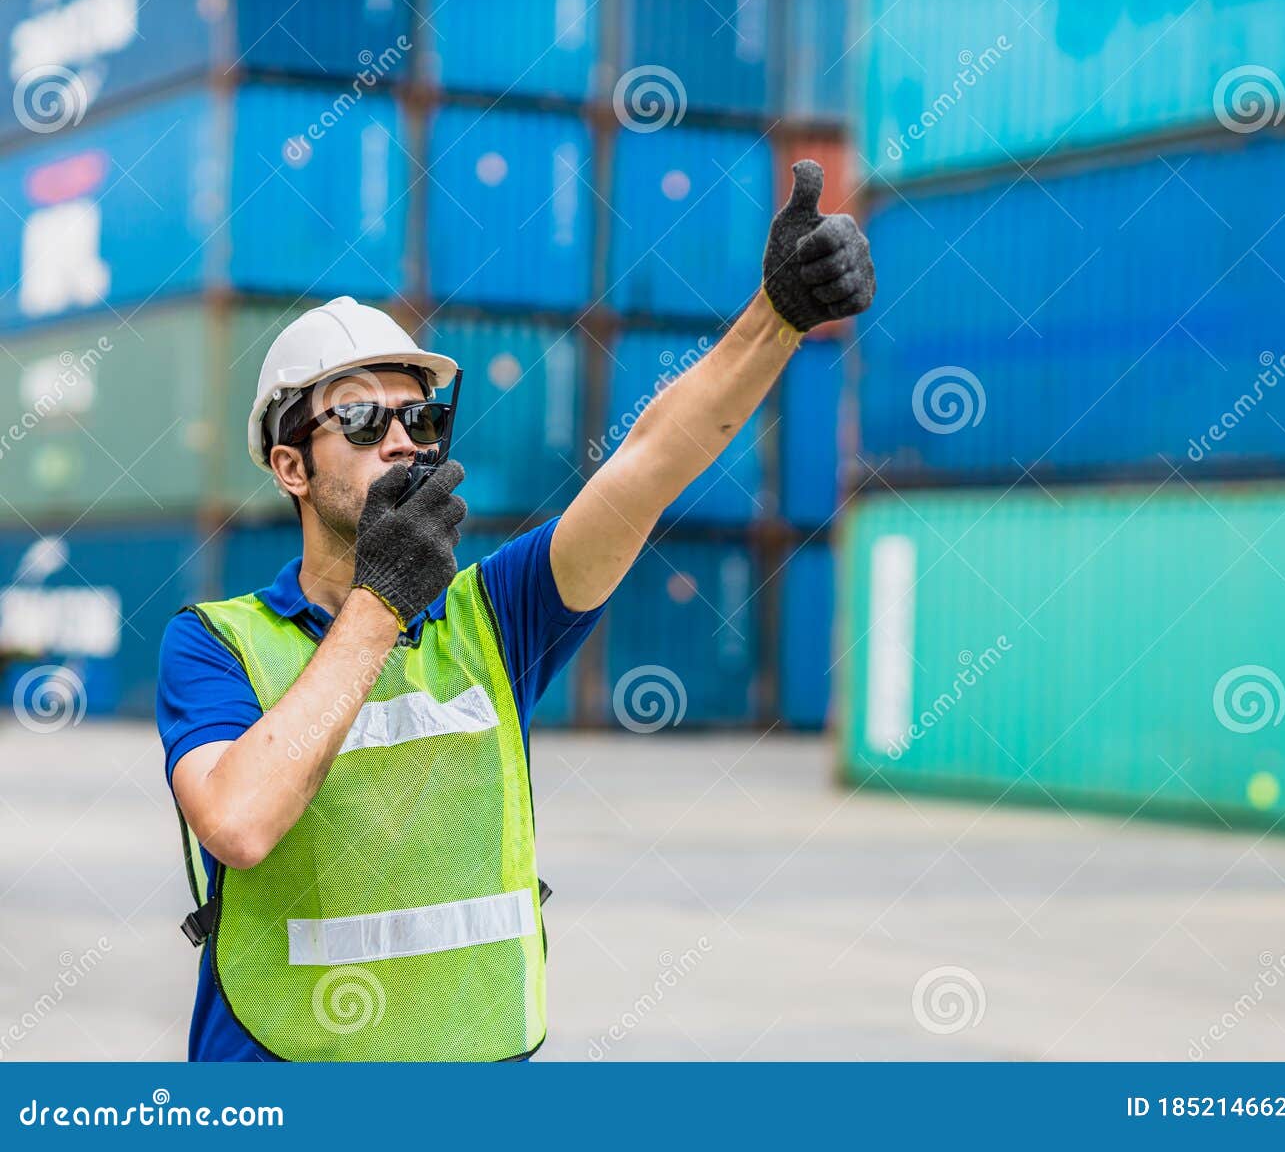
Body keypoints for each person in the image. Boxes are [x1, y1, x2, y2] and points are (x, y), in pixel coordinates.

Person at [155, 162, 874, 1061]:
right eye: (360, 420)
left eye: (419, 419)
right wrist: (380, 602)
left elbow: (650, 462)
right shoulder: (215, 644)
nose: (403, 443)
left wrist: (778, 319)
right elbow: (241, 820)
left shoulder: (497, 615)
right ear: (290, 466)